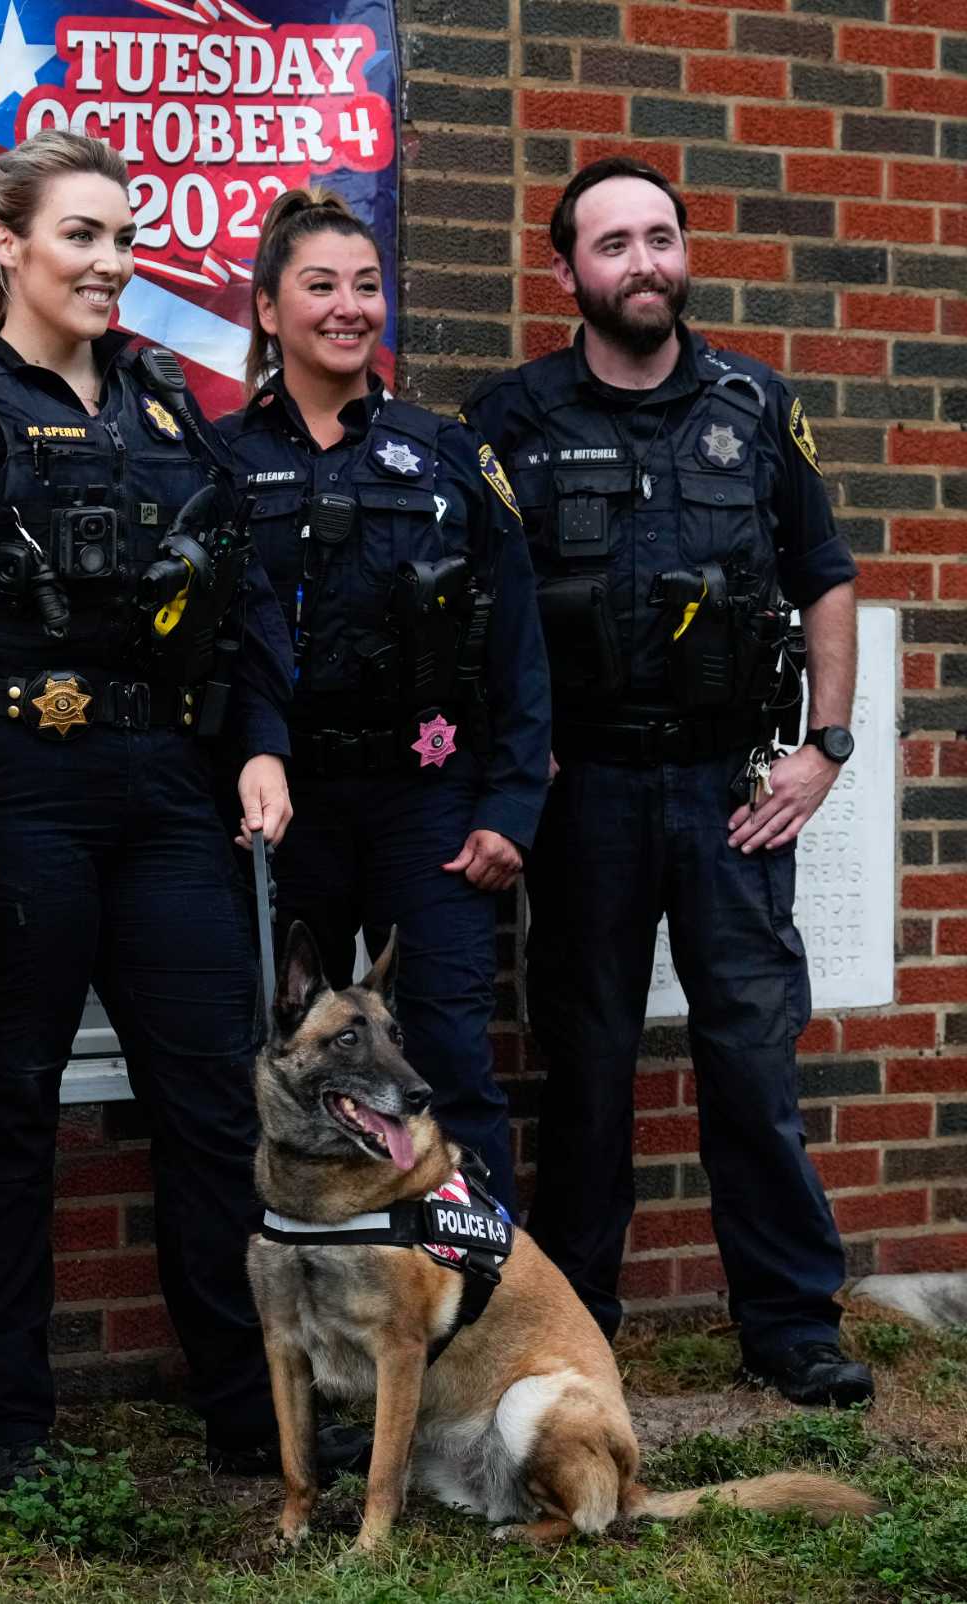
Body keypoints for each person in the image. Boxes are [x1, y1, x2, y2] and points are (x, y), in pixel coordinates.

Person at [0, 129, 296, 1485]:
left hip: (167, 802)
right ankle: (1, 1426)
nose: (112, 261)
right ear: (8, 244)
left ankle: (246, 1409)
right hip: (10, 800)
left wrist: (262, 745)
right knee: (5, 1114)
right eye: (83, 235)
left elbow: (241, 597)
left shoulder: (163, 409)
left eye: (122, 235)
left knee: (213, 1111)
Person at [464, 156, 870, 1407]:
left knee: (750, 1060)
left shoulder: (752, 404)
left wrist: (824, 746)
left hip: (726, 795)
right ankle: (569, 1323)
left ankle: (791, 1328)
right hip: (581, 794)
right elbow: (471, 605)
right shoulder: (508, 421)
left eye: (659, 237)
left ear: (682, 252)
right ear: (566, 273)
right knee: (581, 1069)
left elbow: (823, 574)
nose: (642, 262)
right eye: (612, 244)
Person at [215, 189, 549, 1199]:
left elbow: (516, 633)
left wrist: (510, 804)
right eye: (319, 286)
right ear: (268, 310)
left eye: (365, 285)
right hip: (284, 811)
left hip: (427, 803)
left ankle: (476, 1306)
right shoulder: (218, 459)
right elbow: (214, 645)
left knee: (445, 1056)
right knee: (282, 1063)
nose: (347, 306)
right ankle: (313, 1292)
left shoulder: (444, 451)